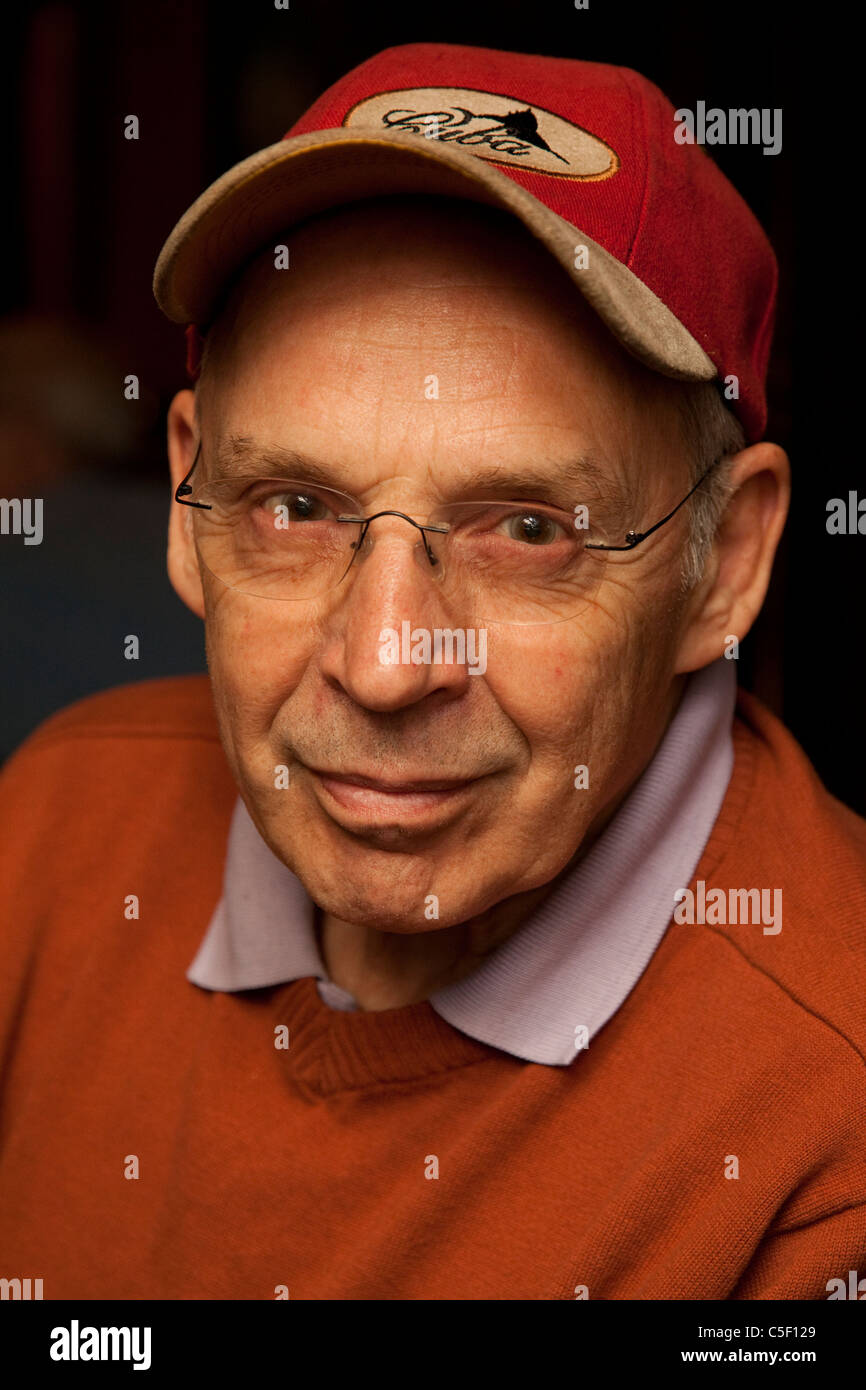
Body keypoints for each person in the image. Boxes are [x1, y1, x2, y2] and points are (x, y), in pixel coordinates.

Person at [1, 42, 864, 1302]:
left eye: (525, 529)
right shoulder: (56, 820)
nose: (386, 663)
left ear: (721, 564)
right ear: (187, 511)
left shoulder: (827, 1122)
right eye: (294, 505)